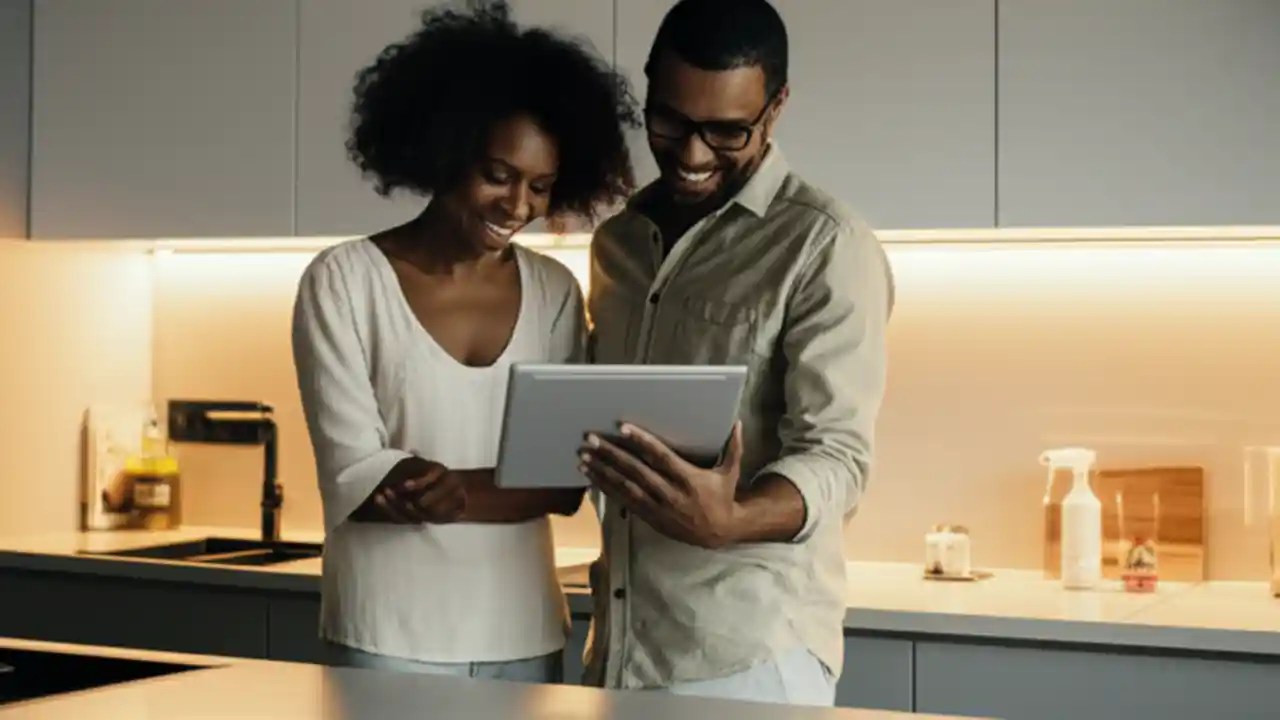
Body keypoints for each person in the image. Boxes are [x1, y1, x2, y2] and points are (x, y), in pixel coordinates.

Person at [290, 0, 636, 683]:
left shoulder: (554, 291)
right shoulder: (344, 281)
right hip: (385, 634)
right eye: (498, 175)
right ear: (444, 152)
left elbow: (563, 481)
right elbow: (355, 476)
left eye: (540, 187)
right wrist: (496, 484)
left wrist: (443, 488)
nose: (518, 206)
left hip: (523, 632)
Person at [576, 0, 893, 706]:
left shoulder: (824, 244)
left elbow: (839, 458)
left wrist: (734, 520)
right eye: (670, 122)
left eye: (726, 132)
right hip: (620, 650)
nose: (692, 155)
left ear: (776, 108)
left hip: (748, 659)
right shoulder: (618, 243)